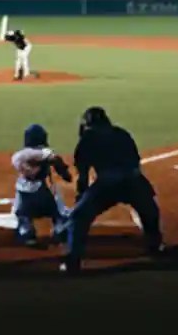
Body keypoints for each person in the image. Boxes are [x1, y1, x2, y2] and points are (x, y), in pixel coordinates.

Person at [62, 107, 164, 274]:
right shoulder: (122, 133)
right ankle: (155, 246)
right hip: (133, 180)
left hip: (107, 185)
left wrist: (82, 195)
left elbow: (83, 176)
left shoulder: (87, 140)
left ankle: (73, 260)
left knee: (78, 218)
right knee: (149, 210)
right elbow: (135, 163)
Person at [9, 124, 72, 247]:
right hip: (44, 197)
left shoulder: (18, 156)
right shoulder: (46, 152)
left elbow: (23, 161)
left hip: (26, 199)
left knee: (19, 210)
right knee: (60, 208)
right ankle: (60, 229)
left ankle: (26, 231)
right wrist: (64, 173)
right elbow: (56, 160)